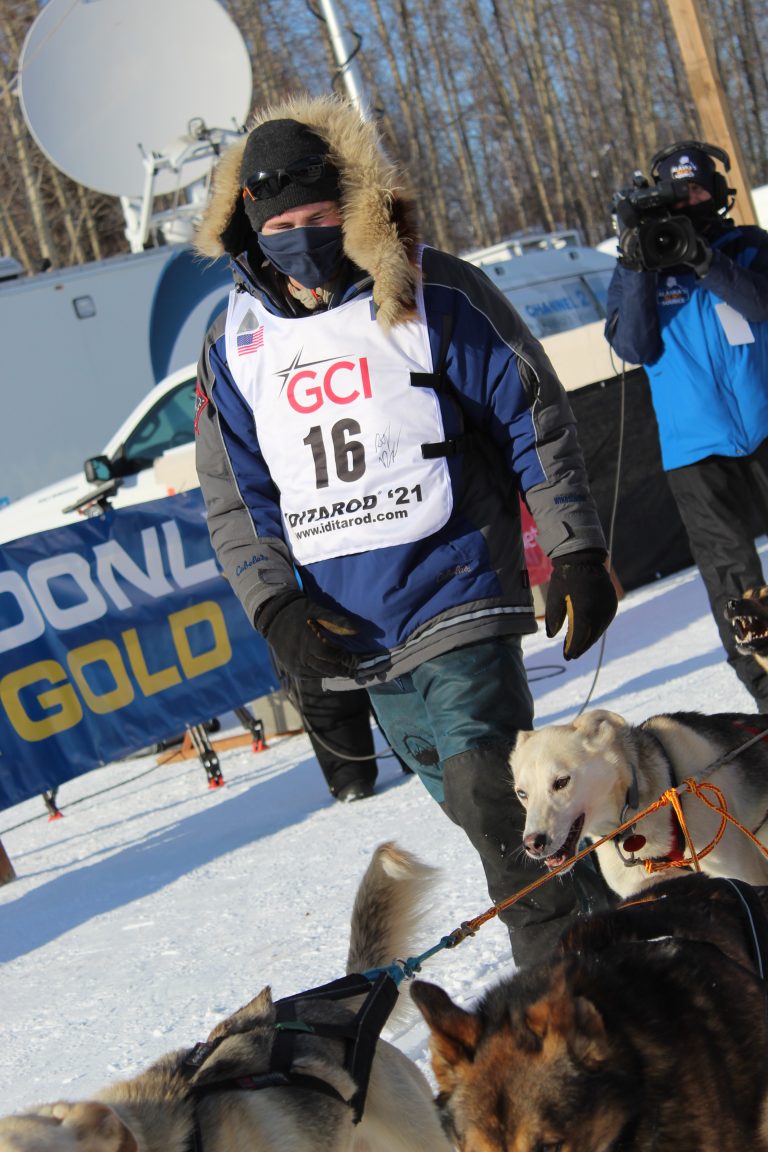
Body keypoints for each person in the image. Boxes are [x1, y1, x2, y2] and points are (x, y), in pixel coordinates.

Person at [194, 94, 618, 966]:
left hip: (458, 581)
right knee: (482, 813)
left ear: (353, 208)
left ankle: (577, 998)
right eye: (283, 225)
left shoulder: (435, 289)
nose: (304, 239)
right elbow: (237, 498)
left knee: (488, 790)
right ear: (250, 229)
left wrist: (573, 545)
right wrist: (276, 610)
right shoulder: (234, 341)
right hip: (356, 627)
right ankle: (617, 936)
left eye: (322, 217)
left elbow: (530, 415)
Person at [605, 141, 768, 708]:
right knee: (734, 580)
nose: (689, 200)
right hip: (695, 453)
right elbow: (633, 345)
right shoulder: (637, 263)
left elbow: (761, 304)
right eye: (677, 193)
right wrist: (638, 265)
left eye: (697, 189)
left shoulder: (746, 246)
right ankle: (766, 691)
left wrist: (704, 258)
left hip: (764, 427)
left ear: (718, 194)